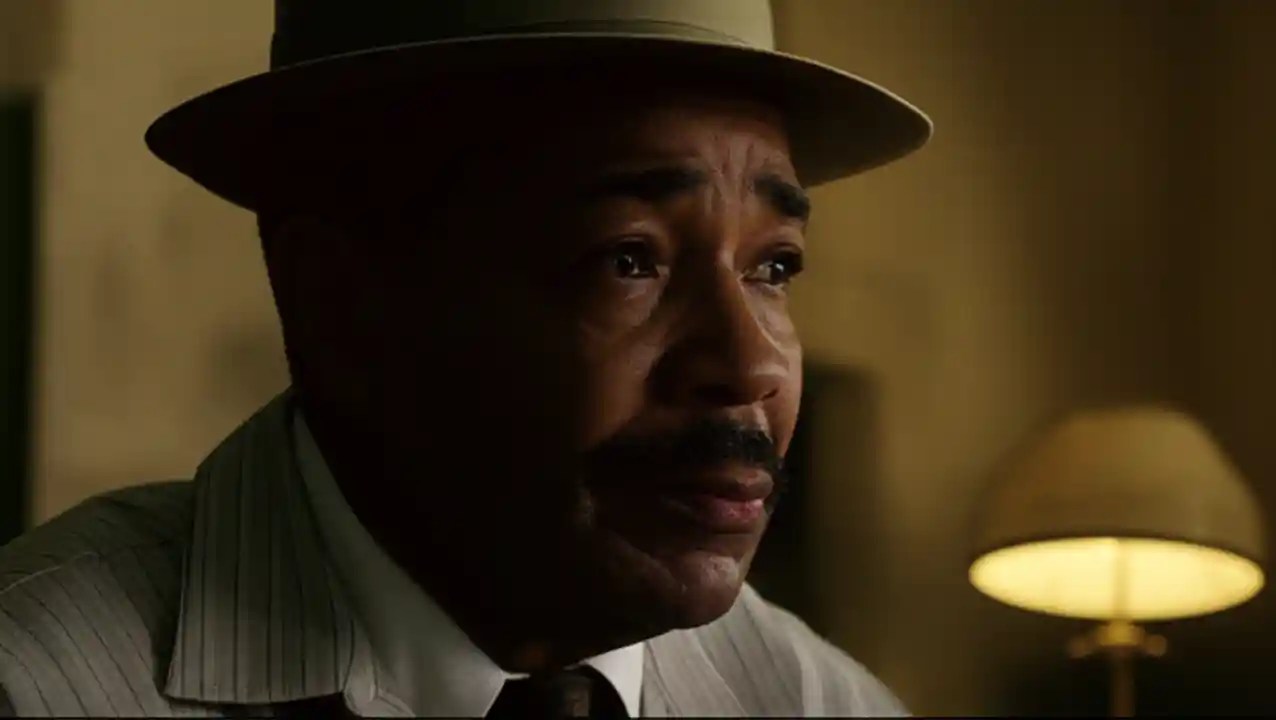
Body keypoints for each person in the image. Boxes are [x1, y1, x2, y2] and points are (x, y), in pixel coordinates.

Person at [0, 1, 930, 717]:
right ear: (342, 299)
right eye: (628, 260)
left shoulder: (818, 702)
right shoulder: (40, 683)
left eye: (774, 267)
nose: (748, 364)